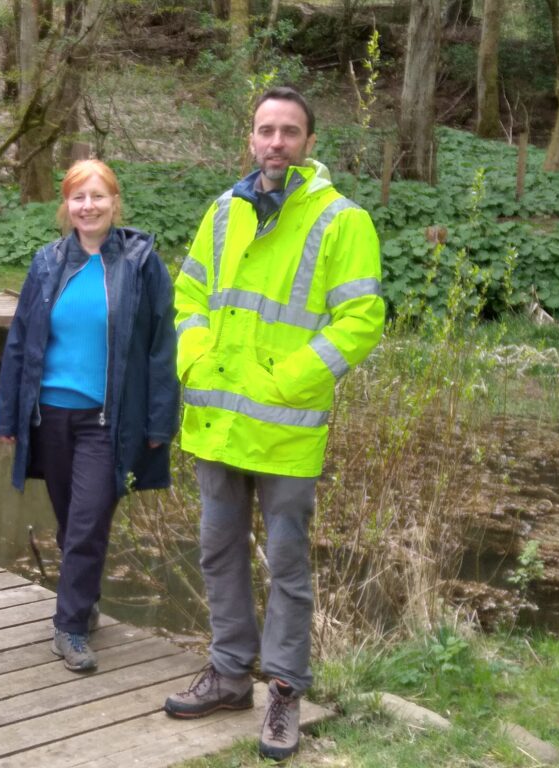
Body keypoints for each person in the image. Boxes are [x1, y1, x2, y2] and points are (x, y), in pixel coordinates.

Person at [162, 87, 385, 761]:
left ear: (310, 142)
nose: (277, 141)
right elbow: (190, 292)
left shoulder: (342, 221)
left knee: (286, 564)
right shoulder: (224, 211)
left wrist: (285, 380)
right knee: (218, 551)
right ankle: (230, 674)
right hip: (216, 423)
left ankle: (284, 689)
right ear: (251, 138)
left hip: (285, 428)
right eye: (266, 129)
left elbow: (361, 322)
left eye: (290, 130)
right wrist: (194, 358)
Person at [0, 159, 179, 673]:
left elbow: (162, 347)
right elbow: (20, 342)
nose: (88, 206)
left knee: (87, 522)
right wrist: (7, 414)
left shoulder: (142, 264)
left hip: (106, 421)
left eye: (98, 196)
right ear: (66, 205)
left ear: (115, 202)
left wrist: (161, 422)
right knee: (72, 520)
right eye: (78, 197)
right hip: (50, 416)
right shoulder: (47, 262)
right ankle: (85, 602)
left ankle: (69, 627)